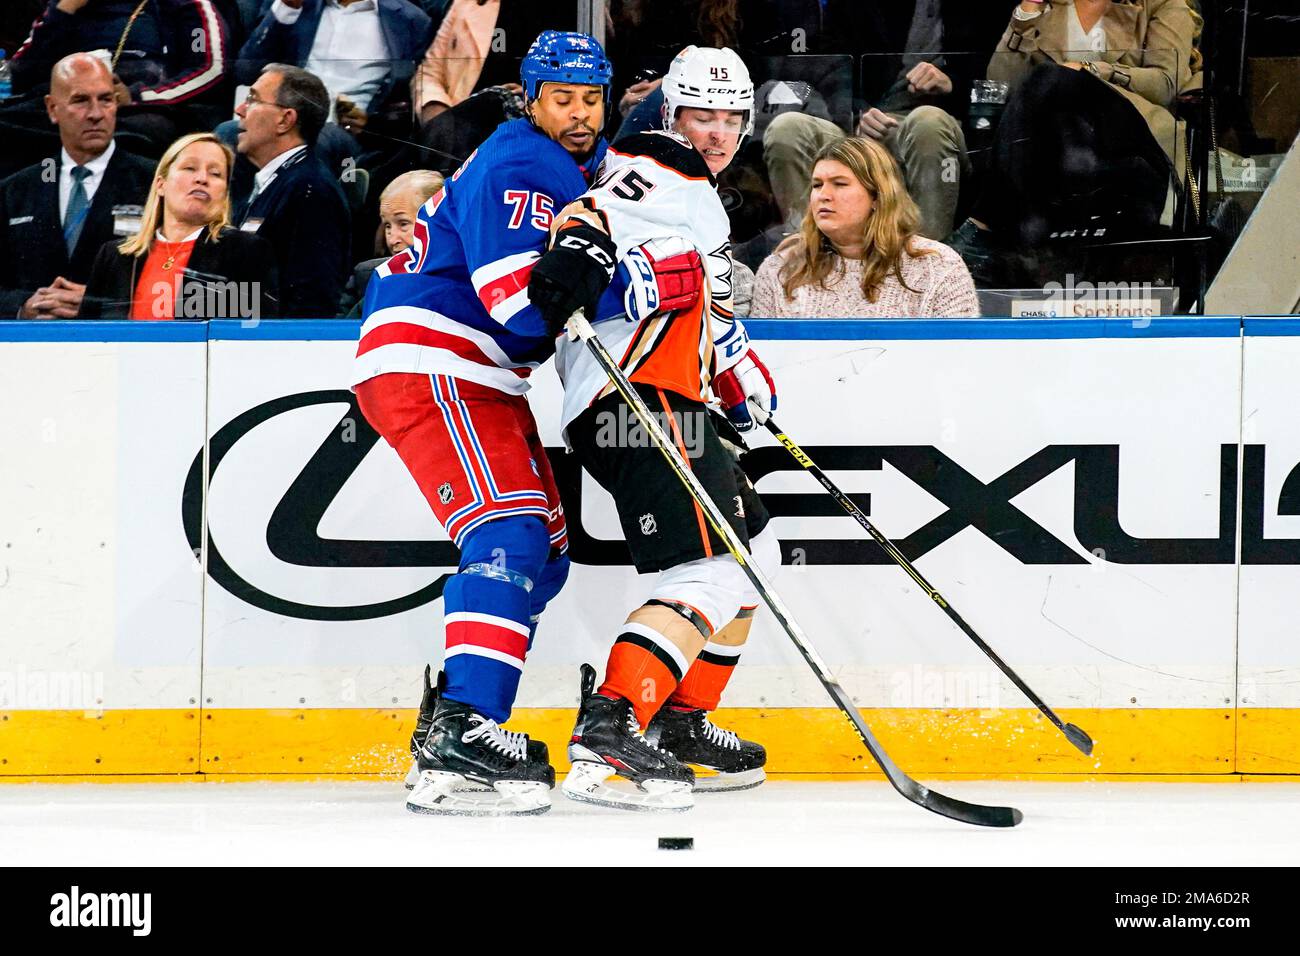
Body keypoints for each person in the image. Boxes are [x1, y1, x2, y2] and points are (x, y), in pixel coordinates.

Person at [353, 31, 625, 816]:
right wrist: (633, 283)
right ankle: (469, 731)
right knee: (508, 535)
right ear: (530, 98)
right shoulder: (523, 160)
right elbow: (518, 304)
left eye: (591, 99)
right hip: (437, 362)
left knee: (542, 556)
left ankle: (449, 718)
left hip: (468, 373)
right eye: (561, 99)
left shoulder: (556, 164)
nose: (577, 115)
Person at [528, 46, 782, 811]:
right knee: (704, 574)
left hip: (669, 397)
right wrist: (657, 277)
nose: (716, 131)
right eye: (702, 114)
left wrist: (737, 378)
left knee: (737, 562)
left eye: (731, 118)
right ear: (672, 114)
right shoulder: (655, 162)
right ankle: (610, 733)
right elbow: (590, 261)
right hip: (637, 397)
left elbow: (706, 304)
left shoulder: (699, 194)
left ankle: (679, 721)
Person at [948, 0, 1199, 285]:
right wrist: (1027, 14)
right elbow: (1000, 81)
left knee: (1051, 76)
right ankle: (1009, 251)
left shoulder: (1162, 4)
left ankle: (983, 228)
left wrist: (1091, 70)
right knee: (1046, 81)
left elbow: (1167, 83)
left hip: (1132, 132)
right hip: (1058, 145)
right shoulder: (1050, 6)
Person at [762, 0, 1008, 242]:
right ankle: (808, 256)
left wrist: (952, 83)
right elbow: (832, 64)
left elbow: (1001, 76)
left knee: (928, 122)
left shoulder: (984, 7)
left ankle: (928, 262)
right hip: (862, 122)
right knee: (787, 128)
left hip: (943, 122)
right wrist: (857, 113)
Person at [0, 53, 155, 318]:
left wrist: (98, 305)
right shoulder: (13, 191)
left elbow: (173, 285)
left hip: (120, 347)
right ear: (52, 109)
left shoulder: (154, 182)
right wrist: (23, 306)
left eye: (106, 99)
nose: (96, 114)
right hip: (29, 349)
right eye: (80, 100)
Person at [753, 136, 978, 317]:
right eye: (817, 185)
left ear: (878, 196)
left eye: (840, 184)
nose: (823, 195)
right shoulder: (781, 268)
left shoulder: (938, 266)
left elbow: (959, 361)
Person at [80, 132, 278, 319]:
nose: (202, 178)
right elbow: (88, 339)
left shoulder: (246, 251)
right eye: (190, 168)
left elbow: (255, 336)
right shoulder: (114, 256)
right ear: (160, 184)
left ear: (225, 193)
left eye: (216, 174)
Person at [5, 0, 232, 162]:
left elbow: (209, 69)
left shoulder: (184, 5)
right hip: (68, 106)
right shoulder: (65, 8)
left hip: (142, 108)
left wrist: (136, 96)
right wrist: (63, 12)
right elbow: (20, 74)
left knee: (140, 133)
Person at [234, 0, 433, 166]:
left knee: (310, 144)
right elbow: (246, 72)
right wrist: (286, 10)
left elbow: (408, 104)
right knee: (228, 134)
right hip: (284, 115)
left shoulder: (409, 20)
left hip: (347, 133)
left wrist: (371, 125)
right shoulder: (298, 5)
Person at [233, 64, 350, 318]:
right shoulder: (281, 180)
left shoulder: (311, 190)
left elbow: (312, 300)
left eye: (252, 100)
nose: (239, 110)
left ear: (285, 120)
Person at [337, 168, 443, 317]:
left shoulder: (475, 280)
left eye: (403, 224)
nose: (393, 240)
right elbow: (341, 336)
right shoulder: (366, 278)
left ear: (439, 222)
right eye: (387, 226)